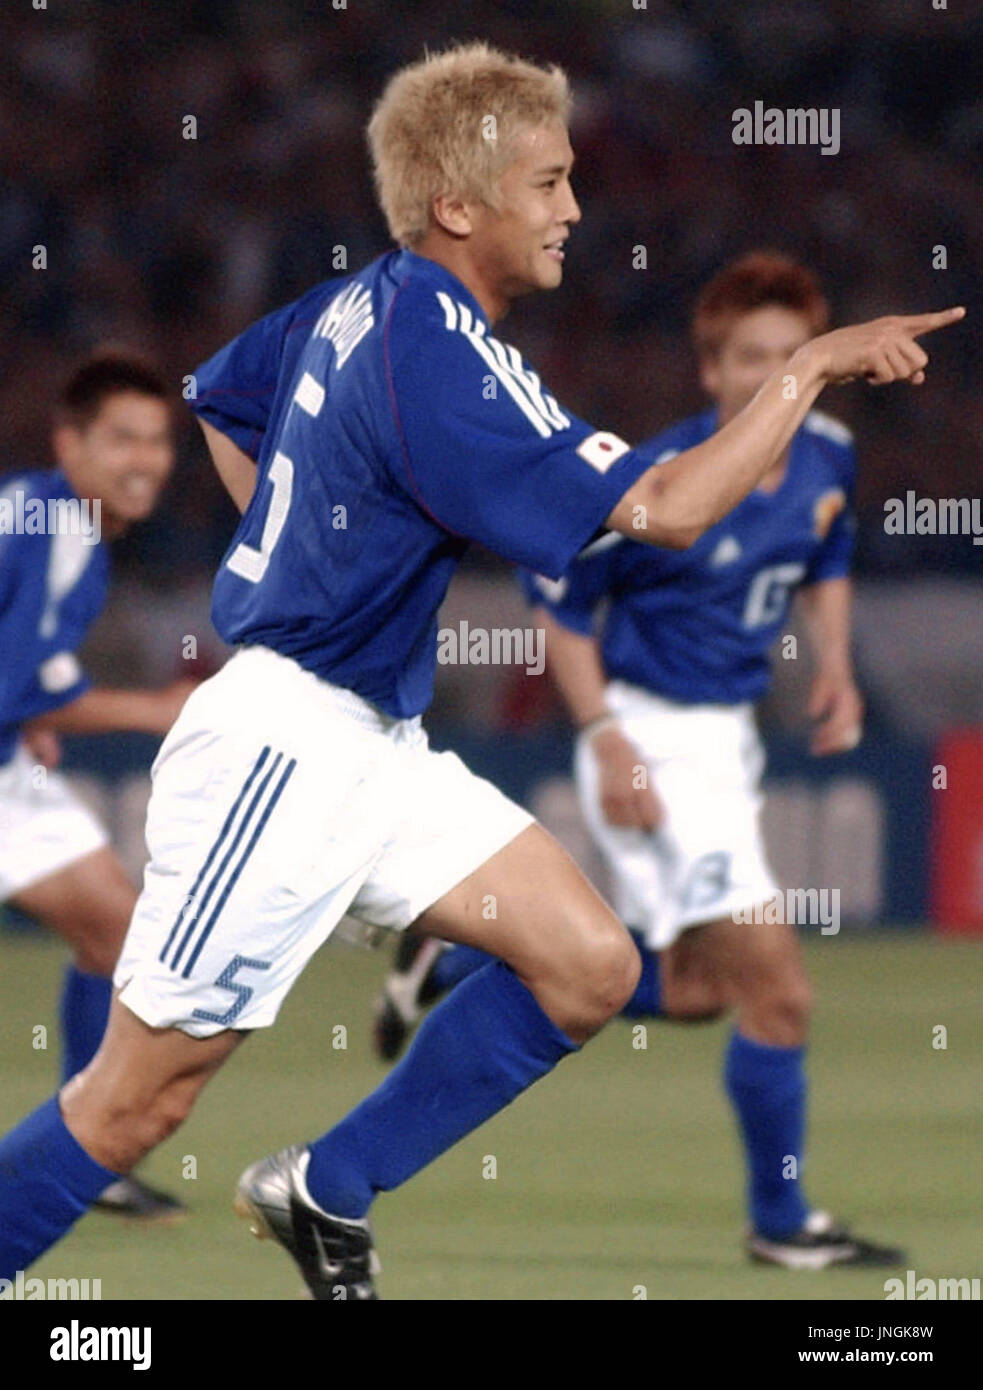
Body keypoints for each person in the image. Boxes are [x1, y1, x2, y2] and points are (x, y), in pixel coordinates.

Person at [0, 41, 962, 1301]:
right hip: (282, 744)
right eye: (548, 183)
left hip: (372, 744)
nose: (573, 209)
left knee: (588, 963)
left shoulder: (363, 301)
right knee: (135, 1103)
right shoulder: (439, 352)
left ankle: (324, 1185)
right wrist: (807, 369)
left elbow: (225, 401)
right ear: (459, 205)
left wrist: (307, 545)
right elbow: (669, 505)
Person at [374, 251, 902, 1269]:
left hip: (729, 739)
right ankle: (781, 1225)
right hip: (651, 737)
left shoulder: (827, 454)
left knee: (700, 992)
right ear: (710, 371)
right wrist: (606, 735)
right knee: (778, 991)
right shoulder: (664, 477)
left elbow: (826, 558)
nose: (772, 373)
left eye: (791, 355)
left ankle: (468, 957)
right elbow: (558, 603)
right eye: (750, 357)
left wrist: (832, 663)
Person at [0, 350, 194, 1219]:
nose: (144, 459)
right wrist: (154, 709)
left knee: (121, 931)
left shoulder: (61, 524)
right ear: (68, 443)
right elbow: (19, 682)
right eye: (122, 438)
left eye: (156, 440)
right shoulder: (45, 526)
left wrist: (33, 714)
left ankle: (86, 1153)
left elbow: (24, 672)